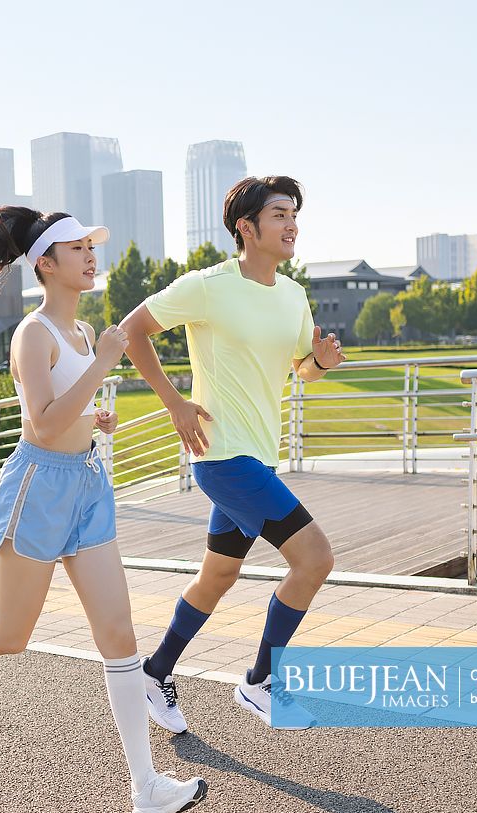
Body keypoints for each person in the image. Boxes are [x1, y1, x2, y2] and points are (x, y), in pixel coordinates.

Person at [0, 205, 206, 813]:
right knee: (13, 636)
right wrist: (101, 369)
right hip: (39, 488)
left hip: (88, 485)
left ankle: (145, 786)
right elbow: (40, 426)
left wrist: (93, 416)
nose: (91, 256)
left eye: (91, 246)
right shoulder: (34, 332)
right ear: (45, 262)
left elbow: (65, 413)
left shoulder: (82, 333)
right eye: (76, 248)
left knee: (120, 637)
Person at [120, 176, 345, 733]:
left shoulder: (292, 294)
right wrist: (175, 402)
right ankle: (260, 681)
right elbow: (132, 331)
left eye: (294, 213)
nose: (291, 224)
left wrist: (318, 362)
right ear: (246, 227)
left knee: (217, 577)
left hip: (259, 455)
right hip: (222, 455)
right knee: (315, 559)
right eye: (278, 214)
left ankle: (154, 672)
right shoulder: (208, 286)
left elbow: (299, 367)